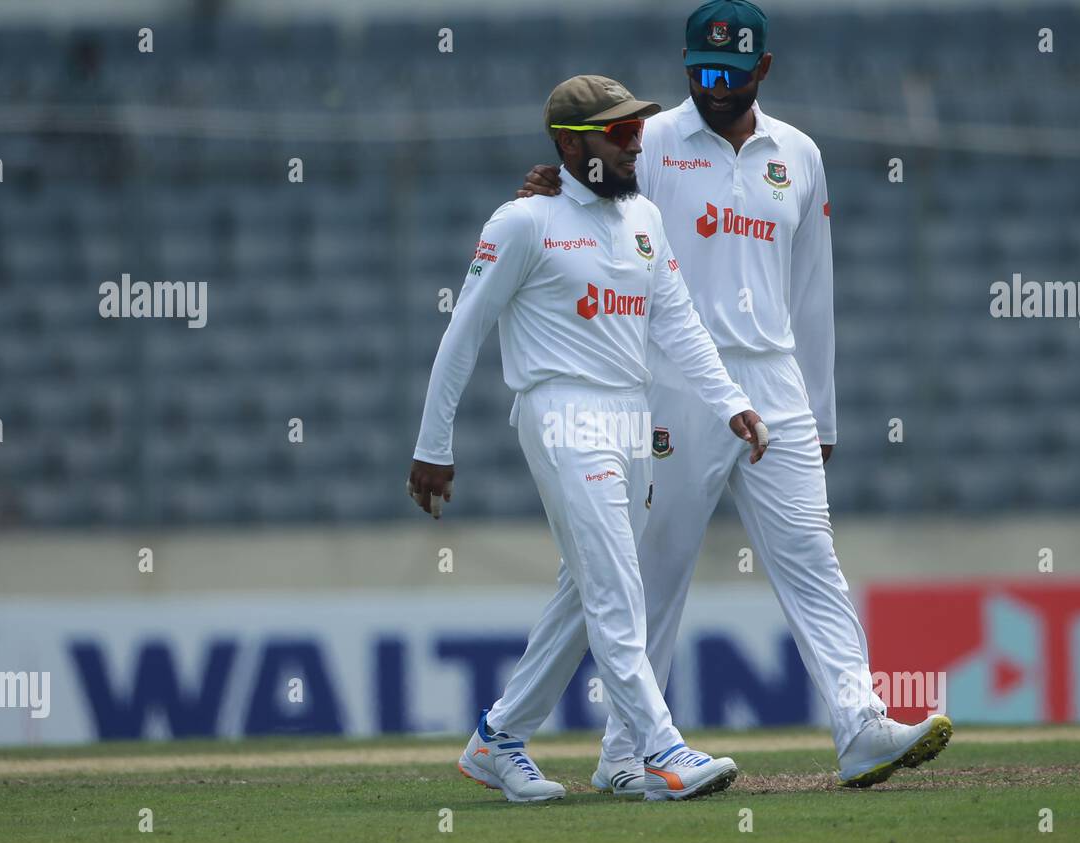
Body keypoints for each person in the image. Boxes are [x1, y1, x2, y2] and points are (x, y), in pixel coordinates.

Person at [495, 0, 952, 790]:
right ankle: (626, 754)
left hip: (774, 383)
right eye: (699, 73)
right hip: (671, 384)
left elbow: (813, 292)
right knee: (656, 572)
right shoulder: (659, 139)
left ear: (763, 71)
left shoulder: (798, 156)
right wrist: (548, 188)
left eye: (730, 76)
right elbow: (589, 202)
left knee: (813, 558)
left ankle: (859, 726)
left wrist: (822, 407)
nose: (712, 88)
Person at [408, 74, 771, 802]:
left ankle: (498, 739)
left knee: (586, 591)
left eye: (637, 128)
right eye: (619, 132)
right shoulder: (522, 222)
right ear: (572, 144)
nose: (637, 141)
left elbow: (678, 320)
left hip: (631, 417)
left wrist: (730, 400)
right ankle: (657, 750)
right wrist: (432, 444)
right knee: (616, 588)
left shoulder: (643, 219)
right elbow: (464, 332)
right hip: (561, 412)